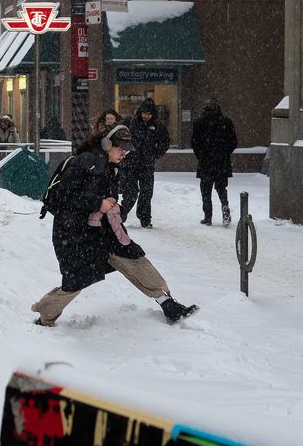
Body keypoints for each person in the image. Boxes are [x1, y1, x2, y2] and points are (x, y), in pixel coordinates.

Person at [31, 125, 198, 326]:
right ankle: (46, 315)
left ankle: (168, 303)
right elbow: (64, 196)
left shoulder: (111, 167)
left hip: (104, 229)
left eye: (127, 150)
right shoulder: (84, 162)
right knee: (76, 280)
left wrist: (114, 205)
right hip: (74, 232)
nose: (124, 153)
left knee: (134, 258)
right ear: (106, 145)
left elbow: (108, 195)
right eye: (121, 149)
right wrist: (97, 203)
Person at [119, 99, 170, 228]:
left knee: (147, 192)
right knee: (130, 193)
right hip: (129, 163)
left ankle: (145, 218)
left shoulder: (157, 126)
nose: (146, 116)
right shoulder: (130, 122)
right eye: (144, 113)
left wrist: (155, 154)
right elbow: (118, 135)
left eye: (149, 114)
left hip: (147, 164)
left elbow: (165, 142)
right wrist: (123, 152)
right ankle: (121, 215)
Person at [190, 99, 238, 226]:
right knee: (221, 189)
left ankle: (208, 217)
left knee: (206, 191)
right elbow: (233, 142)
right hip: (221, 162)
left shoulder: (199, 122)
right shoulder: (226, 122)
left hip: (205, 162)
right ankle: (225, 208)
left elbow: (194, 142)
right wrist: (224, 154)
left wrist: (201, 156)